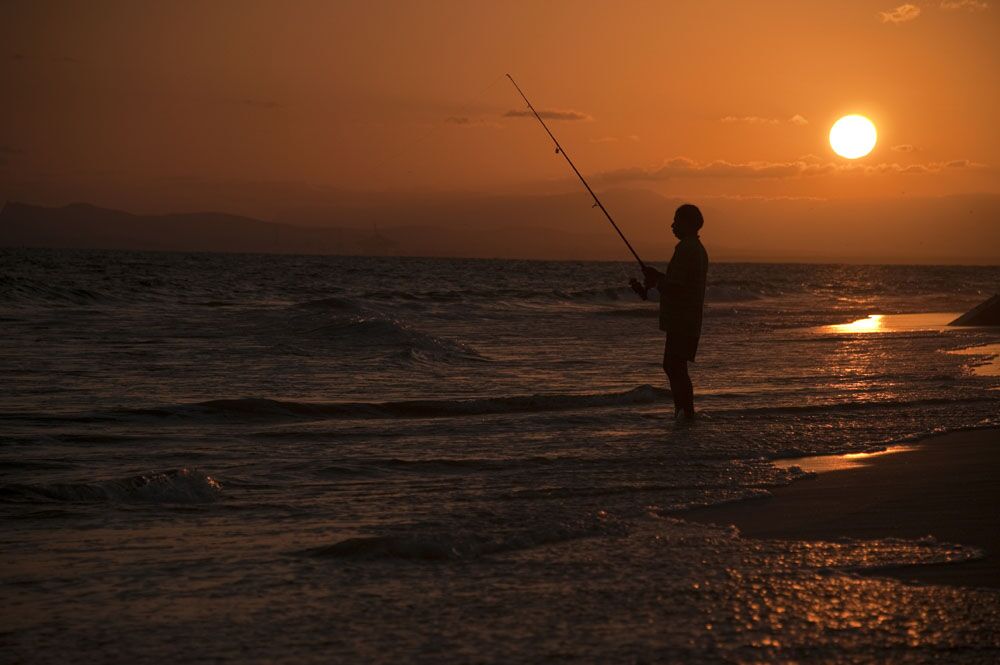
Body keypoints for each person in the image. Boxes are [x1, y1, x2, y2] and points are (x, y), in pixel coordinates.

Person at [642, 204, 709, 422]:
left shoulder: (686, 249)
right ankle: (683, 412)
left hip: (682, 319)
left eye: (676, 221)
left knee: (674, 366)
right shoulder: (696, 248)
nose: (672, 225)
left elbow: (676, 287)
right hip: (687, 319)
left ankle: (685, 413)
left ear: (687, 223)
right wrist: (658, 277)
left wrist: (657, 281)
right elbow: (680, 281)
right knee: (674, 366)